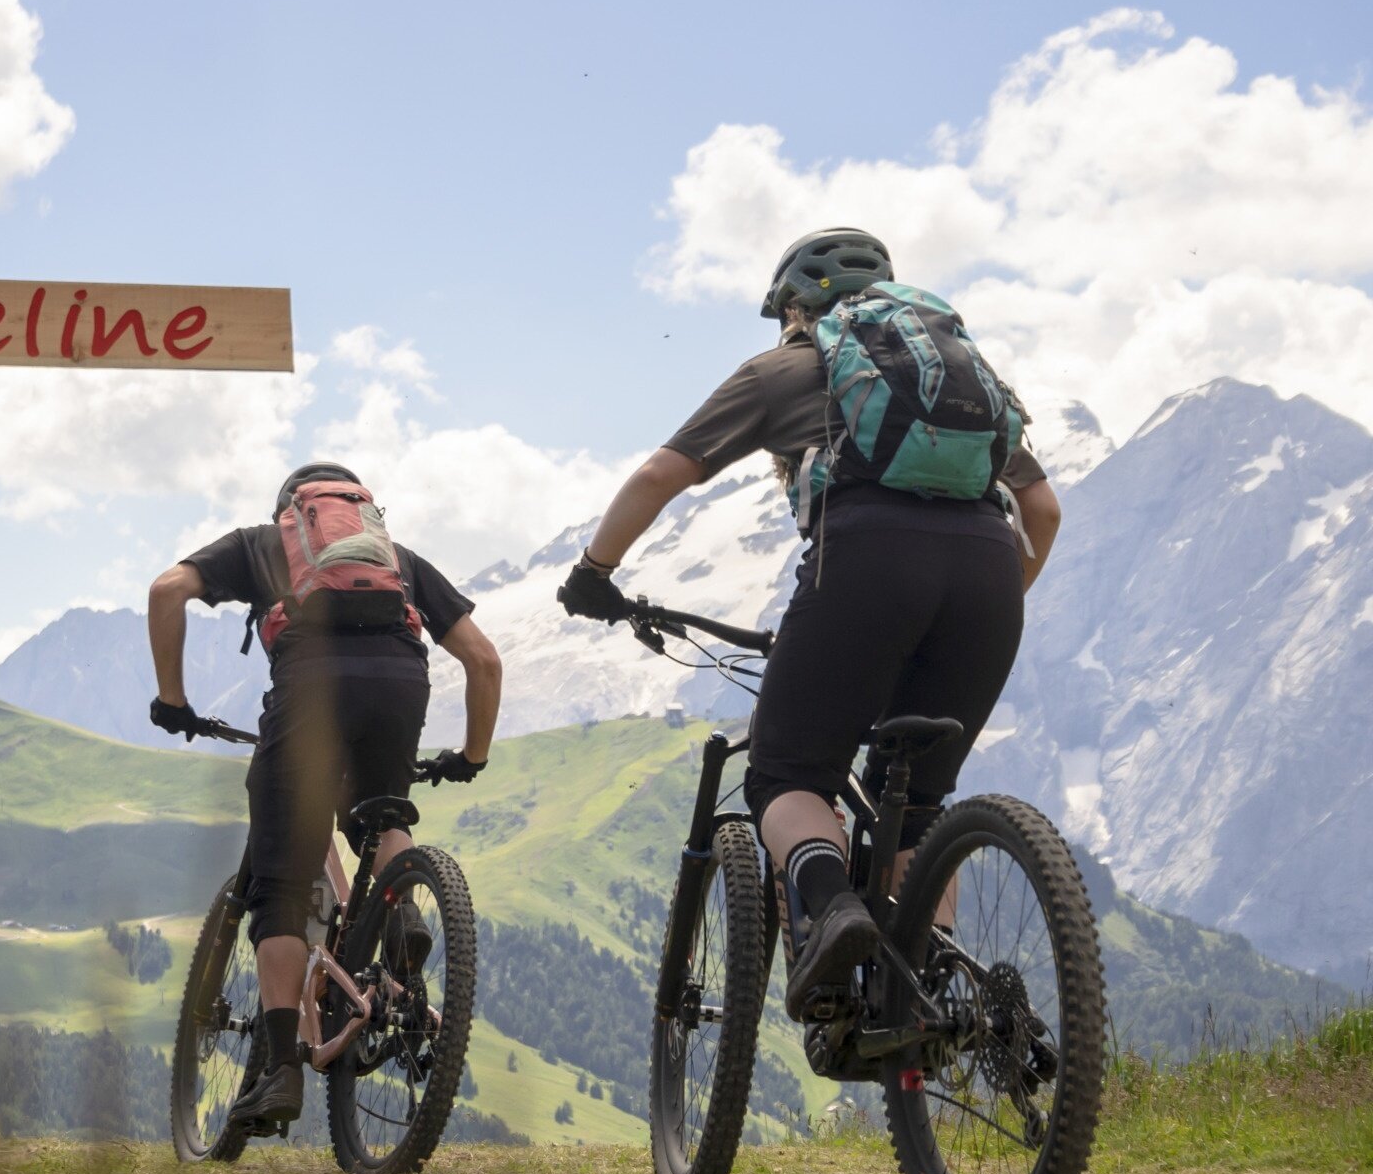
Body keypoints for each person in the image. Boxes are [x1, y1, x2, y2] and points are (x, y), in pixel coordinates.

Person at [559, 228, 1061, 1021]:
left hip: (866, 561)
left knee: (785, 771)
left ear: (795, 306)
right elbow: (1043, 509)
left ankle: (831, 906)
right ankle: (926, 990)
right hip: (992, 575)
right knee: (922, 799)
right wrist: (982, 601)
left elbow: (662, 473)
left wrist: (594, 573)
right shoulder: (965, 379)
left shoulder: (790, 364)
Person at [147, 461, 503, 1128]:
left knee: (280, 887)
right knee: (380, 809)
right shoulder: (397, 565)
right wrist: (472, 756)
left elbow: (168, 591)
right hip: (398, 681)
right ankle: (402, 913)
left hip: (311, 686)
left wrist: (174, 700)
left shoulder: (261, 544)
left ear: (292, 514)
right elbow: (483, 661)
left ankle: (282, 1068)